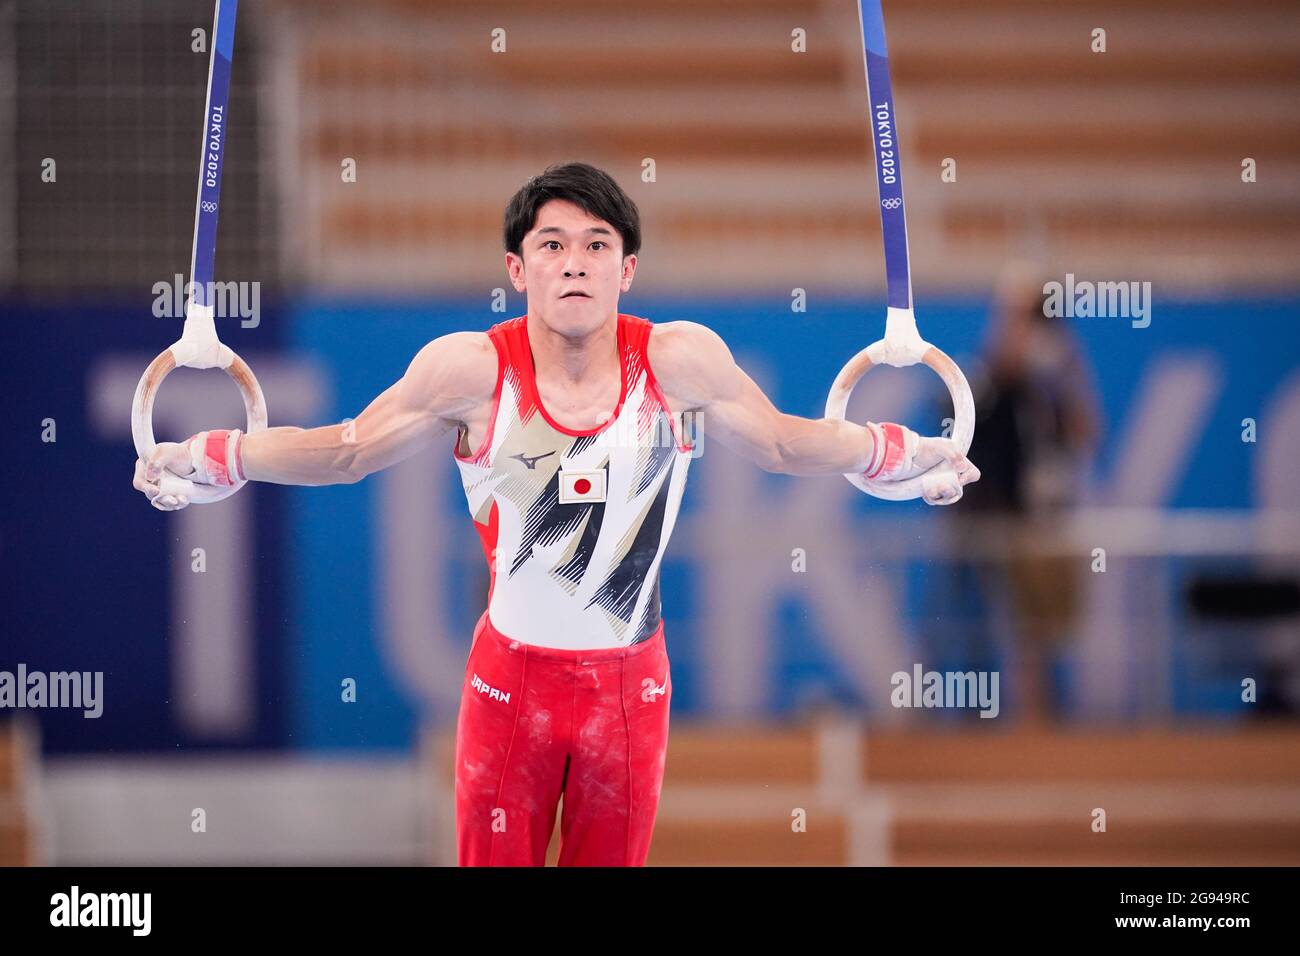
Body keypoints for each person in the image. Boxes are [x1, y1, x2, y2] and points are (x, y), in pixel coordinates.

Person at [133, 162, 980, 865]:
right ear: (518, 268)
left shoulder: (679, 362)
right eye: (552, 245)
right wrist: (217, 454)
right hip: (509, 687)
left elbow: (791, 445)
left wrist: (909, 455)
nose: (574, 263)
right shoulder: (468, 372)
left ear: (627, 268)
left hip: (629, 694)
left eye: (596, 245)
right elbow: (348, 449)